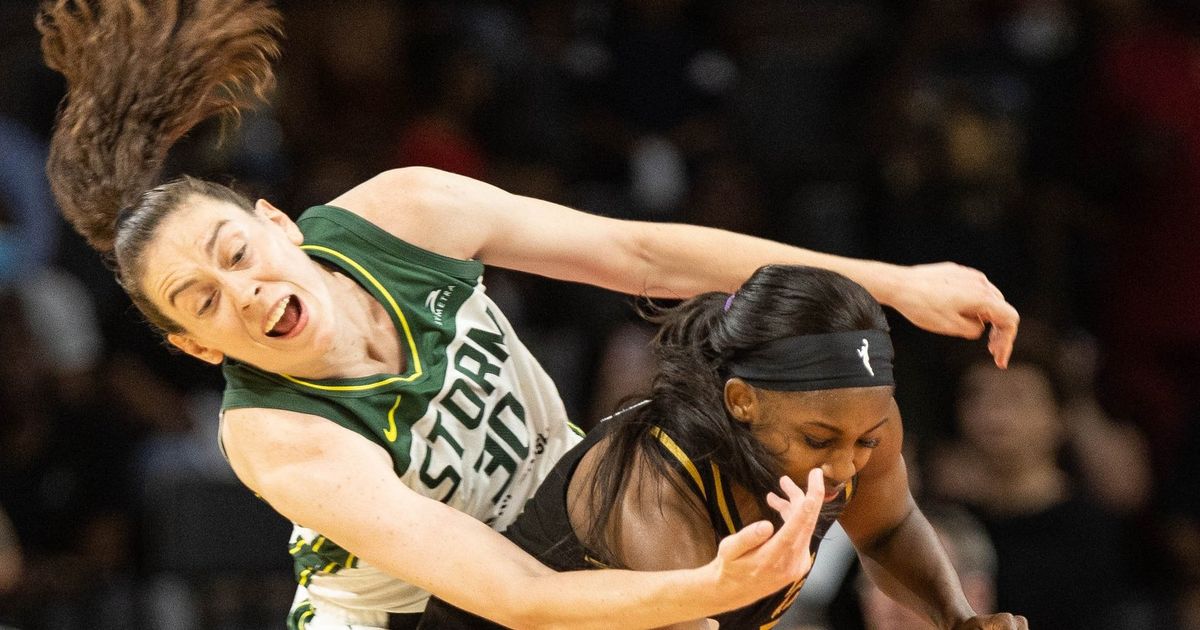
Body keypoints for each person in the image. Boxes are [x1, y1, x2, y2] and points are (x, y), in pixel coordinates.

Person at [38, 0, 1020, 627]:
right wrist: (703, 595)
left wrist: (893, 283)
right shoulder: (278, 438)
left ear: (277, 223)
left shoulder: (403, 213)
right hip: (424, 612)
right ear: (193, 344)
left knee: (791, 386)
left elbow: (642, 253)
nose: (241, 293)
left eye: (235, 254)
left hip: (561, 496)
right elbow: (517, 597)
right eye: (202, 301)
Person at [420, 265, 1027, 629]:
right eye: (819, 440)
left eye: (867, 440)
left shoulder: (856, 415)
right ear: (742, 401)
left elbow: (889, 531)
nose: (846, 465)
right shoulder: (655, 496)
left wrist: (957, 618)